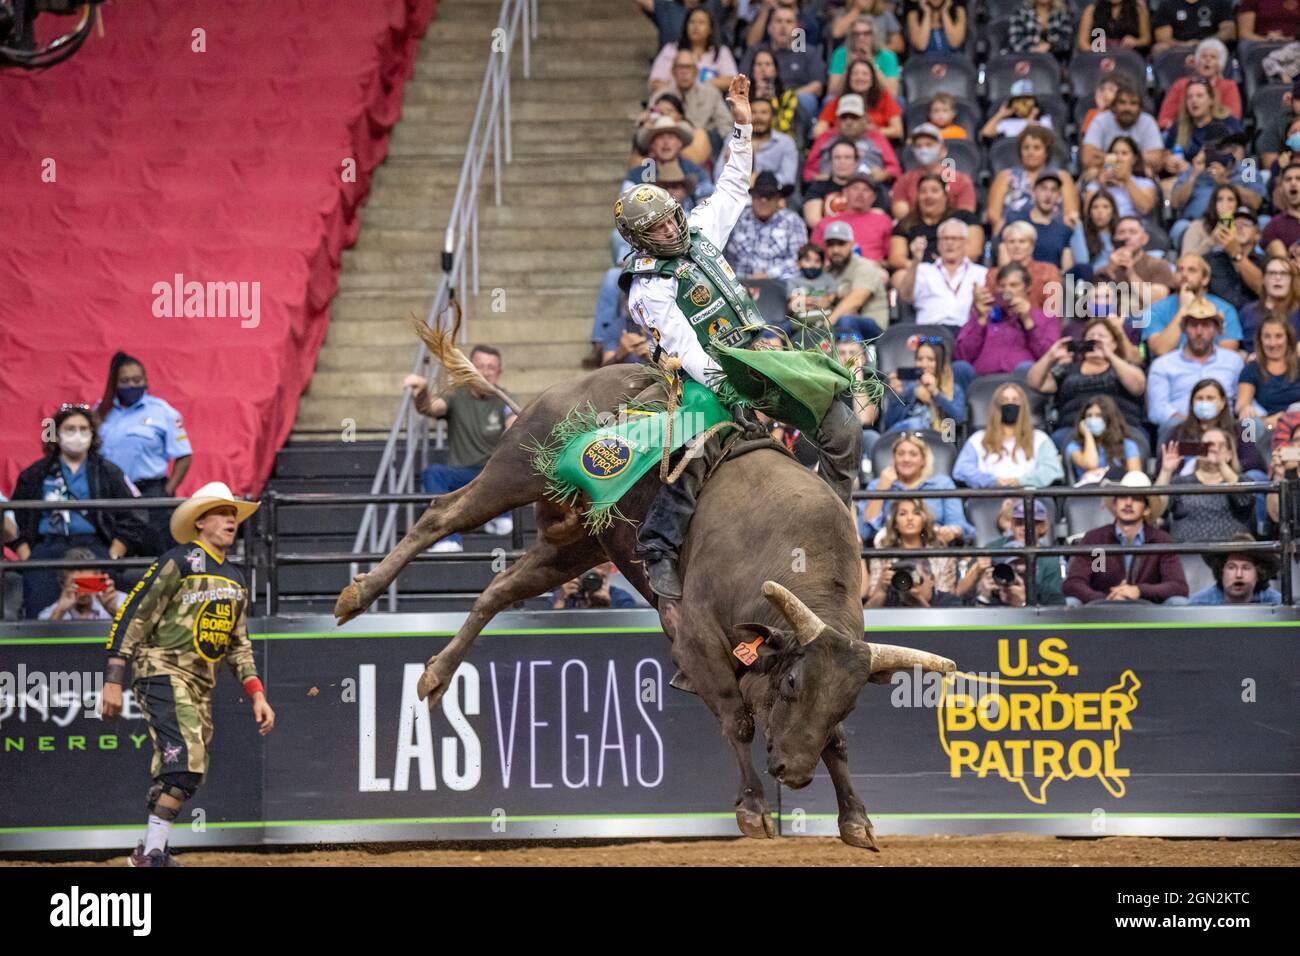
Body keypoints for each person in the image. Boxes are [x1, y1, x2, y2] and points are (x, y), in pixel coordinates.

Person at [615, 76, 864, 599]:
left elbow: (731, 185)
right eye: (657, 229)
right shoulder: (646, 288)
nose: (670, 230)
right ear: (640, 239)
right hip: (707, 370)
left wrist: (744, 126)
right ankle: (659, 546)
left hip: (758, 353)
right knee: (697, 443)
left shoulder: (701, 229)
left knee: (841, 419)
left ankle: (833, 513)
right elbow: (684, 346)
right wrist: (727, 385)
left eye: (670, 218)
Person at [102, 481, 274, 867]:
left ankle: (147, 851)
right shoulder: (178, 561)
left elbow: (238, 643)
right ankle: (153, 855)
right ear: (200, 522)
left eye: (234, 514)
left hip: (199, 682)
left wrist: (257, 694)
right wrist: (114, 676)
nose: (231, 520)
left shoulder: (236, 577)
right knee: (188, 761)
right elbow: (134, 613)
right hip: (161, 670)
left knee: (185, 770)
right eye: (222, 513)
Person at [9, 404, 146, 619]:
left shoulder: (108, 471)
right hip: (47, 548)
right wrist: (25, 554)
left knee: (101, 608)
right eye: (70, 429)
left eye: (84, 429)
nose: (77, 435)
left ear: (93, 434)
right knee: (39, 611)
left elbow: (136, 516)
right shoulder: (35, 473)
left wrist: (114, 554)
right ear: (56, 434)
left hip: (95, 548)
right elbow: (13, 517)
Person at [405, 345, 517, 552]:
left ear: (499, 372)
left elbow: (514, 423)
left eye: (491, 367)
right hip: (462, 476)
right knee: (434, 473)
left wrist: (513, 428)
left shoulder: (504, 398)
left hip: (492, 476)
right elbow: (430, 407)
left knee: (513, 461)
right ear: (469, 369)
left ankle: (501, 516)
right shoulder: (456, 395)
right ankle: (448, 539)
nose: (485, 372)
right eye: (480, 366)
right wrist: (421, 392)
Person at [96, 352, 193, 555]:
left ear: (146, 381)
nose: (131, 385)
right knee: (113, 555)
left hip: (150, 495)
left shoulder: (163, 412)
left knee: (158, 557)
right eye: (124, 381)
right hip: (113, 495)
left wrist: (167, 490)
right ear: (115, 383)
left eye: (137, 380)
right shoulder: (101, 411)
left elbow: (184, 455)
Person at [1064, 471, 1189, 604]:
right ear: (1115, 503)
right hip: (1101, 613)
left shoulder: (1161, 541)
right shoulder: (1097, 540)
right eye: (1123, 497)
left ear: (1147, 509)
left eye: (1136, 498)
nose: (1128, 503)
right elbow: (1074, 583)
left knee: (1178, 602)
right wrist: (1105, 599)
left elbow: (1178, 586)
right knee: (1071, 602)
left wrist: (1139, 591)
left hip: (1150, 615)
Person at [1029, 317, 1148, 439]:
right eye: (1091, 336)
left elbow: (1138, 387)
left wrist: (1110, 356)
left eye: (1101, 336)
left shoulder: (1123, 367)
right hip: (1073, 430)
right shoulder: (1068, 369)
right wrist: (1050, 356)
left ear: (1114, 344)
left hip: (1121, 429)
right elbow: (1035, 383)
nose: (1095, 338)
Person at [1146, 302, 1245, 440]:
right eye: (1193, 325)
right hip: (1182, 429)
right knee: (1169, 426)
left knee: (1251, 425)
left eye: (1206, 326)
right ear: (1184, 329)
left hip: (1226, 428)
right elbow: (1157, 410)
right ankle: (1175, 462)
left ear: (1216, 329)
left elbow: (1244, 397)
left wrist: (1253, 411)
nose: (1199, 332)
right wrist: (1191, 423)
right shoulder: (1163, 364)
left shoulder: (1234, 361)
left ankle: (1248, 460)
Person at [859, 431, 973, 543]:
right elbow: (864, 533)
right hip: (891, 552)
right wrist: (882, 489)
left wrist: (950, 531)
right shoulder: (877, 485)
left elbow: (959, 525)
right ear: (893, 459)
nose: (906, 459)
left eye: (913, 454)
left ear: (923, 460)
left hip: (932, 549)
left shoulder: (942, 484)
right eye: (900, 454)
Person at [956, 263, 1061, 377]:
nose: (1007, 290)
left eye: (1014, 285)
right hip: (982, 379)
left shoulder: (1046, 318)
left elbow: (1051, 357)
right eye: (1002, 286)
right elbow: (961, 356)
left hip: (1024, 382)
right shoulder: (982, 315)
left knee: (1027, 368)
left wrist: (1028, 322)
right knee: (960, 368)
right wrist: (981, 320)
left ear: (1028, 287)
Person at [954, 383, 1065, 488]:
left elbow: (1052, 470)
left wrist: (1021, 481)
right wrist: (992, 481)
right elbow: (962, 469)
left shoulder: (1040, 438)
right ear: (996, 407)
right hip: (989, 496)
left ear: (1023, 406)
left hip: (1028, 498)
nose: (1010, 404)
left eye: (1015, 400)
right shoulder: (977, 439)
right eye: (1004, 401)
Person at [956, 500, 1065, 606]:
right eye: (1018, 522)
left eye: (1031, 523)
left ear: (1042, 527)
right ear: (1011, 524)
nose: (1024, 528)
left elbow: (1057, 606)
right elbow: (959, 594)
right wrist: (978, 575)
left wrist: (1024, 603)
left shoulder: (1049, 559)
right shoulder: (992, 549)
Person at [1157, 427, 1255, 541]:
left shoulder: (1243, 480)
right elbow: (1156, 510)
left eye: (1220, 446)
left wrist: (1221, 464)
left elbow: (1245, 502)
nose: (1212, 449)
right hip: (1188, 552)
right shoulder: (1180, 482)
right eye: (1207, 445)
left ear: (1229, 454)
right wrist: (1166, 471)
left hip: (1231, 553)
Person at [739, 4, 827, 129]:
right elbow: (742, 81)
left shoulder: (808, 52)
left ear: (796, 28)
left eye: (788, 22)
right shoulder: (756, 51)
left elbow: (817, 87)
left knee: (808, 100)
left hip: (795, 100)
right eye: (778, 21)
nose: (783, 26)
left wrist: (786, 97)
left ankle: (801, 139)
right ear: (769, 28)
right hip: (760, 97)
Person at [894, 216, 988, 331]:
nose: (949, 243)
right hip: (930, 333)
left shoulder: (981, 273)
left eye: (955, 239)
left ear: (965, 242)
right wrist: (915, 261)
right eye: (945, 238)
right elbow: (906, 296)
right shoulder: (923, 270)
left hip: (965, 334)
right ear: (938, 243)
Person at [862, 501, 960, 607]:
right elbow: (869, 613)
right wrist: (881, 589)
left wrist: (918, 598)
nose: (910, 518)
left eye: (916, 513)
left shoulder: (940, 552)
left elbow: (947, 601)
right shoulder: (884, 553)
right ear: (895, 523)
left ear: (924, 520)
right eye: (903, 514)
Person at [988, 126, 1081, 238]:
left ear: (1047, 152)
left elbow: (1070, 212)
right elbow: (993, 213)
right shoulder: (1005, 176)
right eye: (1026, 148)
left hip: (1052, 235)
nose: (1030, 152)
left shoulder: (1062, 177)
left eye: (1036, 148)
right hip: (1015, 236)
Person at [1141, 255, 1243, 357]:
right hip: (1169, 371)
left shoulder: (1225, 309)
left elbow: (1227, 355)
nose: (1184, 274)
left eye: (1192, 270)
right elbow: (1160, 350)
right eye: (1179, 270)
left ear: (1205, 279)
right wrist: (1183, 309)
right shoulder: (1155, 310)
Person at [1167, 376, 1269, 475]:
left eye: (1210, 398)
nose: (1204, 402)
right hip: (1192, 482)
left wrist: (1224, 464)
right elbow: (1168, 464)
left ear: (1223, 402)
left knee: (1255, 475)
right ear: (1192, 403)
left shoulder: (1242, 429)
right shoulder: (1179, 431)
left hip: (1232, 481)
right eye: (1199, 398)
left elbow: (1253, 461)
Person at [887, 174, 984, 270]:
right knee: (900, 277)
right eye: (923, 191)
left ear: (945, 196)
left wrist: (944, 268)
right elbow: (896, 258)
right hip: (918, 272)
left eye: (935, 191)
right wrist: (924, 270)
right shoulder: (905, 224)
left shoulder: (965, 218)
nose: (928, 196)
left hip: (958, 269)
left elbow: (974, 251)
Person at [723, 171, 807, 280]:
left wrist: (768, 275)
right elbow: (724, 258)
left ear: (778, 199)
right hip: (738, 284)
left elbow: (799, 260)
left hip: (779, 285)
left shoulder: (792, 221)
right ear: (752, 197)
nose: (763, 200)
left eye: (769, 196)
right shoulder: (736, 220)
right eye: (759, 195)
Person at [801, 95, 900, 186]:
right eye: (844, 117)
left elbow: (895, 169)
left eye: (854, 117)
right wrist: (820, 178)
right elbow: (808, 172)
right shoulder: (825, 137)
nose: (849, 122)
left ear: (865, 119)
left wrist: (884, 174)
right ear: (837, 120)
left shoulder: (876, 137)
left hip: (869, 190)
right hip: (828, 190)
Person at [1081, 79, 1166, 180]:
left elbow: (1157, 161)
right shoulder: (1101, 120)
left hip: (1138, 175)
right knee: (1092, 172)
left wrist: (1109, 158)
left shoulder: (1148, 121)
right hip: (1107, 173)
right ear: (1114, 106)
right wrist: (1131, 159)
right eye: (1122, 103)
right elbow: (1088, 158)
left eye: (1133, 103)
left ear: (1140, 108)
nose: (1127, 108)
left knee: (1149, 172)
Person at [654, 49, 735, 153]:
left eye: (688, 67)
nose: (684, 72)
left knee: (701, 135)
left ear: (696, 71)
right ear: (673, 71)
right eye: (680, 67)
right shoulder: (660, 95)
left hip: (702, 148)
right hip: (665, 146)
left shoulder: (711, 93)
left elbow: (726, 126)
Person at [890, 123, 978, 219]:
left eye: (929, 145)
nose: (923, 150)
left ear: (943, 150)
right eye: (918, 146)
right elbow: (900, 214)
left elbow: (966, 215)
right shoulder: (904, 180)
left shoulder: (961, 180)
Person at [880, 337, 967, 433]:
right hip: (907, 439)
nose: (924, 364)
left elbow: (959, 419)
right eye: (919, 359)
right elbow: (889, 423)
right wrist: (904, 395)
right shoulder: (905, 386)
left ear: (940, 363)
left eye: (931, 359)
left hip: (938, 441)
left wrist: (936, 394)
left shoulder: (954, 389)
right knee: (915, 423)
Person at [822, 219, 892, 338]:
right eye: (830, 245)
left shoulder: (864, 266)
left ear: (851, 244)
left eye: (841, 244)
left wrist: (822, 329)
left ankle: (850, 356)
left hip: (873, 328)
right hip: (837, 325)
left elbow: (855, 302)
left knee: (846, 320)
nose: (835, 250)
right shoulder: (827, 271)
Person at [713, 95, 798, 189]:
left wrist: (760, 181)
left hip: (771, 196)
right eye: (753, 112)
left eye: (764, 112)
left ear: (773, 117)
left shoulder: (785, 142)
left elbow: (788, 178)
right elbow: (719, 174)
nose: (758, 117)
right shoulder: (734, 138)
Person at [1156, 38, 1241, 130]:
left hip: (1216, 132)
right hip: (1183, 131)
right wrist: (1175, 128)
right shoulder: (1181, 84)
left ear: (1220, 64)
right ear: (1196, 61)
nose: (1207, 60)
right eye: (1203, 56)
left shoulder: (1228, 86)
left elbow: (1234, 116)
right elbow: (1164, 119)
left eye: (1213, 57)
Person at [648, 6, 736, 94]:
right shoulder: (671, 50)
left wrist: (701, 86)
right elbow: (656, 83)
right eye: (692, 22)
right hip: (676, 102)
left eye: (701, 22)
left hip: (710, 103)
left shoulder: (721, 52)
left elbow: (732, 80)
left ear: (710, 29)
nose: (696, 27)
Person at [809, 169, 893, 262]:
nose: (860, 193)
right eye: (855, 188)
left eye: (866, 190)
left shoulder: (883, 221)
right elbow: (813, 256)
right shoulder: (826, 222)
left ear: (873, 197)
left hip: (871, 271)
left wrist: (878, 265)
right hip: (833, 270)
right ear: (845, 193)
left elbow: (891, 258)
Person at [814, 57, 903, 142]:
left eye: (865, 74)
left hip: (876, 145)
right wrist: (845, 130)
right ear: (849, 78)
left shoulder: (884, 98)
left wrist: (868, 131)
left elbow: (898, 131)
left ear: (872, 79)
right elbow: (818, 132)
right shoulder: (839, 101)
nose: (860, 77)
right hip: (843, 145)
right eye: (855, 74)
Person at [1004, 170, 1075, 270]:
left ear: (1059, 196)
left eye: (1053, 190)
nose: (1048, 195)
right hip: (1019, 280)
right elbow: (1004, 261)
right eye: (1043, 188)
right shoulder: (1015, 222)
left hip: (1052, 282)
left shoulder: (1063, 230)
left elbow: (1068, 272)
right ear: (1033, 192)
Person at [1236, 316, 1300, 426]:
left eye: (1278, 336)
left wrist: (1285, 418)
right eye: (1267, 337)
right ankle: (1247, 444)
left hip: (1297, 424)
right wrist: (1246, 409)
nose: (1272, 343)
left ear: (1288, 338)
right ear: (1260, 339)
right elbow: (1241, 405)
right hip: (1267, 426)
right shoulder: (1251, 370)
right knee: (1247, 422)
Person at [1201, 206, 1265, 312]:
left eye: (1246, 224)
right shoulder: (1210, 260)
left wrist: (1236, 254)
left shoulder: (1265, 261)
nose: (1239, 228)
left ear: (1257, 234)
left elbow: (1263, 289)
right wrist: (1212, 241)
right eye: (1235, 224)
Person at [1188, 534, 1282, 604]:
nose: (1239, 575)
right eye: (1231, 567)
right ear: (1221, 572)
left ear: (1259, 573)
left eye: (1246, 568)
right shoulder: (1199, 603)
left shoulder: (1276, 603)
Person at [35, 546, 124, 621]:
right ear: (62, 584)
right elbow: (43, 638)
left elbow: (135, 635)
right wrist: (60, 612)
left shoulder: (121, 601)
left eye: (88, 583)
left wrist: (113, 610)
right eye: (77, 585)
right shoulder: (52, 613)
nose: (83, 593)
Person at [990, 220, 1063, 310]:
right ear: (1004, 245)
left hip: (1039, 322)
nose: (1016, 246)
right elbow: (989, 308)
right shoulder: (993, 274)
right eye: (1011, 242)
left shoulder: (1048, 271)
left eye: (1022, 241)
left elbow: (1054, 311)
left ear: (1032, 246)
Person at [1081, 135, 1157, 220]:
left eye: (1124, 153)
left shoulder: (1144, 183)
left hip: (1132, 228)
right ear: (1109, 158)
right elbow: (1087, 214)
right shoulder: (1096, 184)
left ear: (1134, 159)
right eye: (1115, 153)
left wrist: (1127, 180)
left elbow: (1145, 209)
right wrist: (1101, 186)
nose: (1119, 158)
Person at [826, 15, 902, 99]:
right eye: (856, 34)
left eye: (866, 33)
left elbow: (892, 93)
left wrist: (871, 62)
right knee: (828, 100)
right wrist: (848, 66)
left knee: (899, 101)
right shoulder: (840, 54)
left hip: (878, 99)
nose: (861, 37)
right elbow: (832, 92)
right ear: (851, 36)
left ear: (874, 35)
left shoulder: (887, 56)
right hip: (848, 99)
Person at [1239, 256, 1300, 349]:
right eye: (1272, 273)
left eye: (1284, 273)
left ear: (1291, 280)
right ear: (1263, 279)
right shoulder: (1247, 311)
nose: (1278, 278)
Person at [802, 140, 863, 228]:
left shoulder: (867, 189)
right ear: (830, 161)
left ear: (856, 162)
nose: (842, 162)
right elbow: (814, 221)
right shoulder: (817, 188)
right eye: (837, 158)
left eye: (847, 157)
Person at [749, 48, 803, 137]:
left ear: (775, 71)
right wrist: (757, 98)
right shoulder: (742, 96)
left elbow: (785, 127)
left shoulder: (788, 96)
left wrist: (772, 101)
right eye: (759, 64)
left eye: (768, 64)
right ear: (752, 70)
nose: (763, 69)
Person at [981, 80, 1055, 142]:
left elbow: (1047, 141)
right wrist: (1000, 114)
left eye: (1027, 99)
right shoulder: (1006, 123)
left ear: (1034, 102)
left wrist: (1031, 119)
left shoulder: (1044, 121)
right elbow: (986, 133)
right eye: (1018, 100)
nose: (1023, 103)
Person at [1151, 0, 1235, 54]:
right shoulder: (1167, 4)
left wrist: (1206, 43)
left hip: (1210, 45)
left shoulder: (1219, 2)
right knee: (1159, 48)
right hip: (1179, 48)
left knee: (1222, 48)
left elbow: (1228, 29)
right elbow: (1163, 38)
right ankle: (1168, 81)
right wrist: (1185, 45)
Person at [1070, 188, 1119, 277]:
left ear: (1113, 211)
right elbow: (1082, 265)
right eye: (1095, 207)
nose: (1100, 212)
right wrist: (1078, 227)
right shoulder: (1081, 233)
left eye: (1105, 207)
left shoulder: (1120, 234)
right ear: (1090, 212)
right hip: (1089, 281)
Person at [549, 562, 640, 609]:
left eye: (601, 577)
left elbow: (626, 635)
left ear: (608, 574)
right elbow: (552, 629)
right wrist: (561, 599)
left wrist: (605, 606)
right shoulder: (565, 595)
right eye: (591, 577)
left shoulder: (622, 599)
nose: (595, 582)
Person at [1075, 0, 1152, 53]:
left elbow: (1146, 38)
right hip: (1099, 58)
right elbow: (1082, 42)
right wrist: (1096, 50)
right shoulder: (1091, 10)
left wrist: (1135, 42)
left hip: (1129, 58)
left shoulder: (1139, 8)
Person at [1007, 0, 1074, 56]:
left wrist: (1050, 46)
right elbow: (1015, 42)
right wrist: (1034, 49)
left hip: (1055, 60)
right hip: (1025, 58)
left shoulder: (1063, 13)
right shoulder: (1021, 12)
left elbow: (1066, 42)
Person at [1262, 165, 1300, 261]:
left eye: (1298, 178)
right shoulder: (1273, 227)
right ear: (1281, 188)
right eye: (1288, 179)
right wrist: (1290, 255)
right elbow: (1281, 268)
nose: (1293, 183)